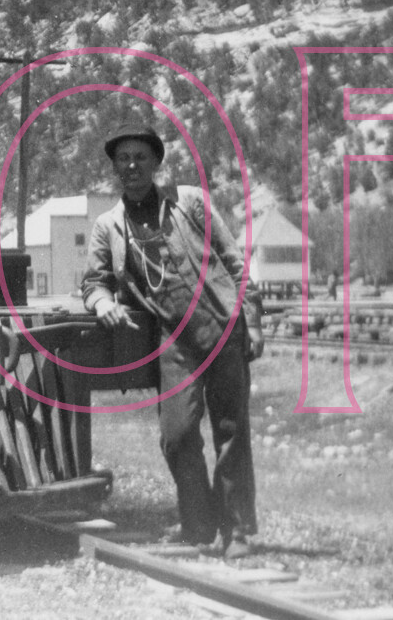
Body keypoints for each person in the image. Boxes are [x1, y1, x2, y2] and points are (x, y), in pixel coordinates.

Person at [80, 124, 263, 558]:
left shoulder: (192, 203)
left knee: (231, 431)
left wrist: (252, 321)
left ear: (156, 163)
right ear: (114, 169)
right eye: (122, 159)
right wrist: (102, 302)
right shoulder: (108, 226)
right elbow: (93, 282)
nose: (131, 166)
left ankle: (235, 531)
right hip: (173, 341)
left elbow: (236, 265)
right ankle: (199, 522)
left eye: (140, 157)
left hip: (222, 327)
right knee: (177, 435)